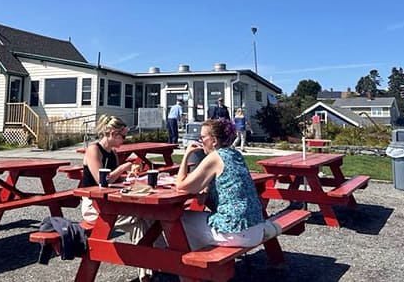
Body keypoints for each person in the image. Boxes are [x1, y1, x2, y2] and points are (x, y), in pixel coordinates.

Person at [176, 118, 280, 250]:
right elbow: (203, 199)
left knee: (175, 221)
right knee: (189, 221)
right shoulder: (235, 154)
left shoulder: (215, 157)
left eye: (202, 137)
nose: (200, 141)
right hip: (256, 228)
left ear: (213, 141)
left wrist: (186, 155)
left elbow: (181, 185)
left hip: (235, 232)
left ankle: (173, 263)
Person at [81, 115, 151, 281]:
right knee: (141, 217)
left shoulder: (112, 152)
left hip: (110, 202)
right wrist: (122, 168)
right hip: (93, 204)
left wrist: (130, 176)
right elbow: (102, 180)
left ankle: (148, 271)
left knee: (144, 220)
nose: (124, 140)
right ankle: (150, 267)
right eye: (123, 136)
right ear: (112, 133)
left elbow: (116, 180)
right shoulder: (93, 150)